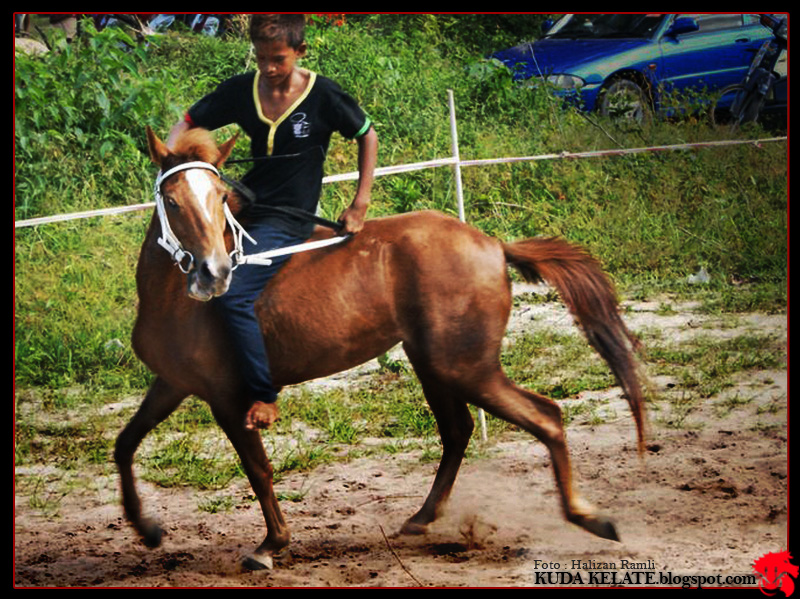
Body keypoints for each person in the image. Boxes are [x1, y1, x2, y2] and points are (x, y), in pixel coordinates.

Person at [167, 14, 378, 430]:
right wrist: (173, 160)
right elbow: (189, 121)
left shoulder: (324, 95)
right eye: (261, 58)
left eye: (278, 59)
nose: (268, 68)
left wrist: (360, 202)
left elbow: (366, 134)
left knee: (234, 293)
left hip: (288, 216)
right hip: (242, 200)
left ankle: (263, 394)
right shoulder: (243, 90)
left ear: (300, 52)